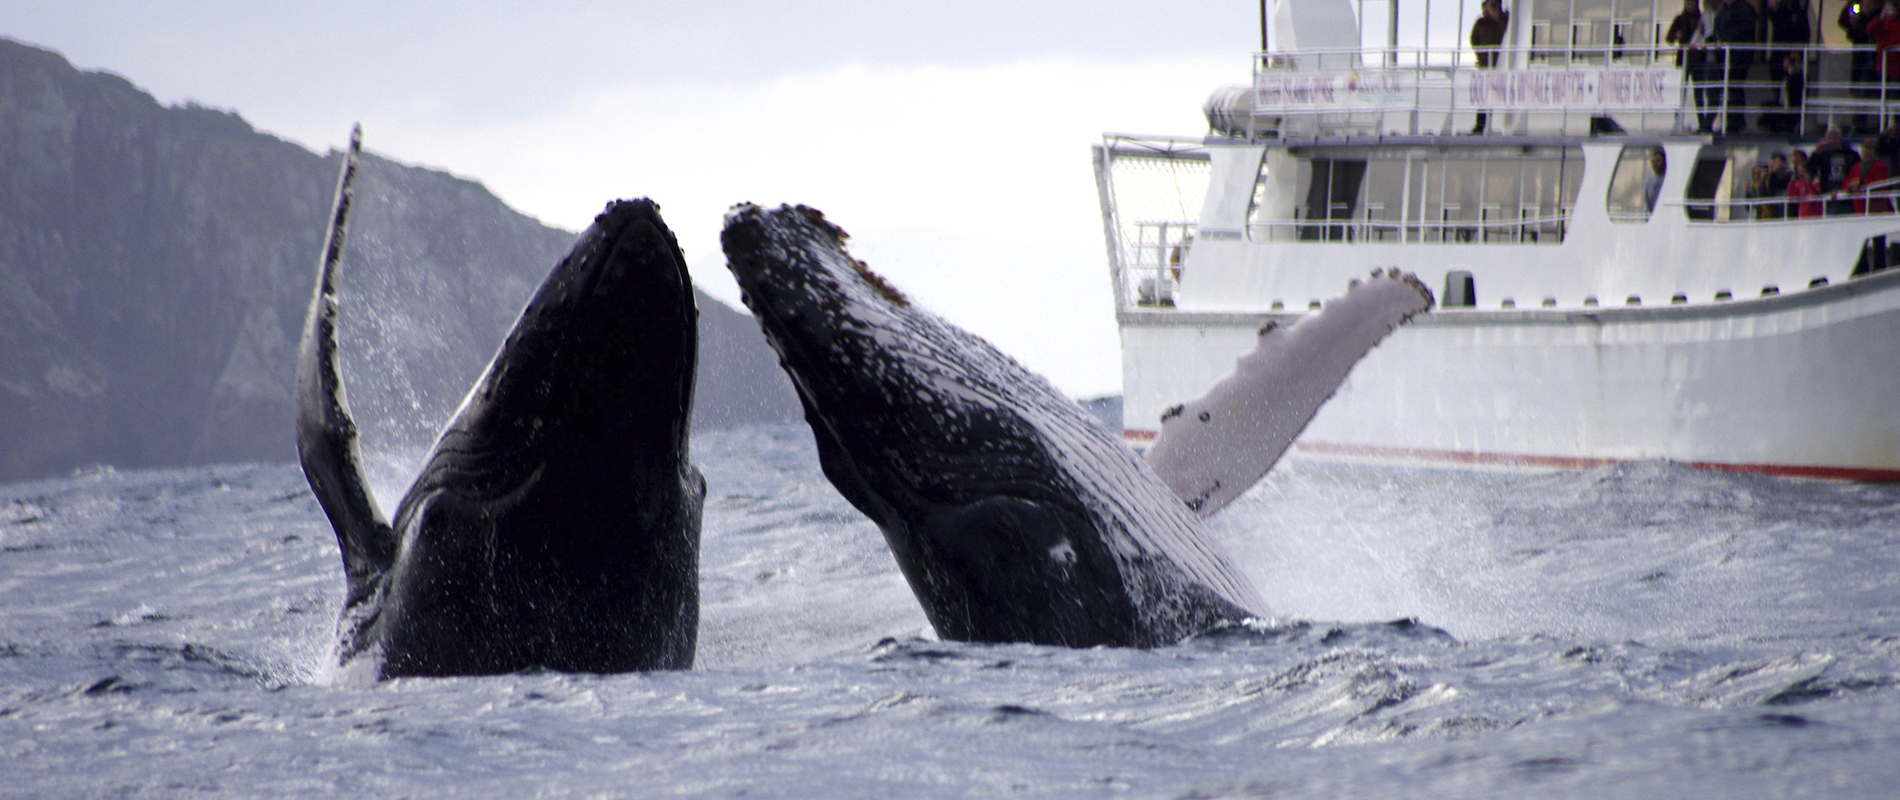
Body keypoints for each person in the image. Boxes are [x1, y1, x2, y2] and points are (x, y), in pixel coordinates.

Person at [1709, 0, 1760, 133]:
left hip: (1738, 57)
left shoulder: (1743, 8)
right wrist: (1711, 41)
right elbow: (1717, 30)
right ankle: (1726, 121)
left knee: (1735, 88)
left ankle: (1735, 123)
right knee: (1726, 90)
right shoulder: (1722, 8)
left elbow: (1744, 30)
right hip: (1722, 57)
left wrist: (1724, 40)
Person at [1470, 0, 1509, 134]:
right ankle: (1480, 125)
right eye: (1489, 6)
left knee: (1495, 94)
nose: (1491, 8)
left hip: (1499, 64)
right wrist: (1481, 56)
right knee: (1483, 96)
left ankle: (1496, 124)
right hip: (1484, 65)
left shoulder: (1503, 21)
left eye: (1494, 6)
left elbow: (1506, 34)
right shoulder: (1481, 23)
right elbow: (1473, 40)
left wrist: (1497, 18)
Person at [1813, 125, 1863, 214]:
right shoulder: (1823, 154)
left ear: (1839, 138)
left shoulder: (1850, 153)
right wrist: (1815, 153)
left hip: (1847, 194)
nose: (1832, 140)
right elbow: (1810, 169)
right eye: (1829, 137)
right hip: (1830, 196)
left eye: (1835, 137)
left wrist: (1849, 186)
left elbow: (1858, 170)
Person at [1847, 137, 1894, 212]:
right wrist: (1850, 186)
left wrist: (1860, 183)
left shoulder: (1880, 166)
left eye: (1869, 148)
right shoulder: (1856, 167)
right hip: (1859, 207)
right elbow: (1846, 182)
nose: (1866, 151)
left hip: (1876, 207)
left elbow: (1879, 184)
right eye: (1864, 148)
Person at [1644, 147, 1668, 213]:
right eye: (1653, 161)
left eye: (1658, 161)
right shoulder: (1649, 182)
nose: (1655, 164)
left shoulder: (1668, 180)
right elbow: (1648, 203)